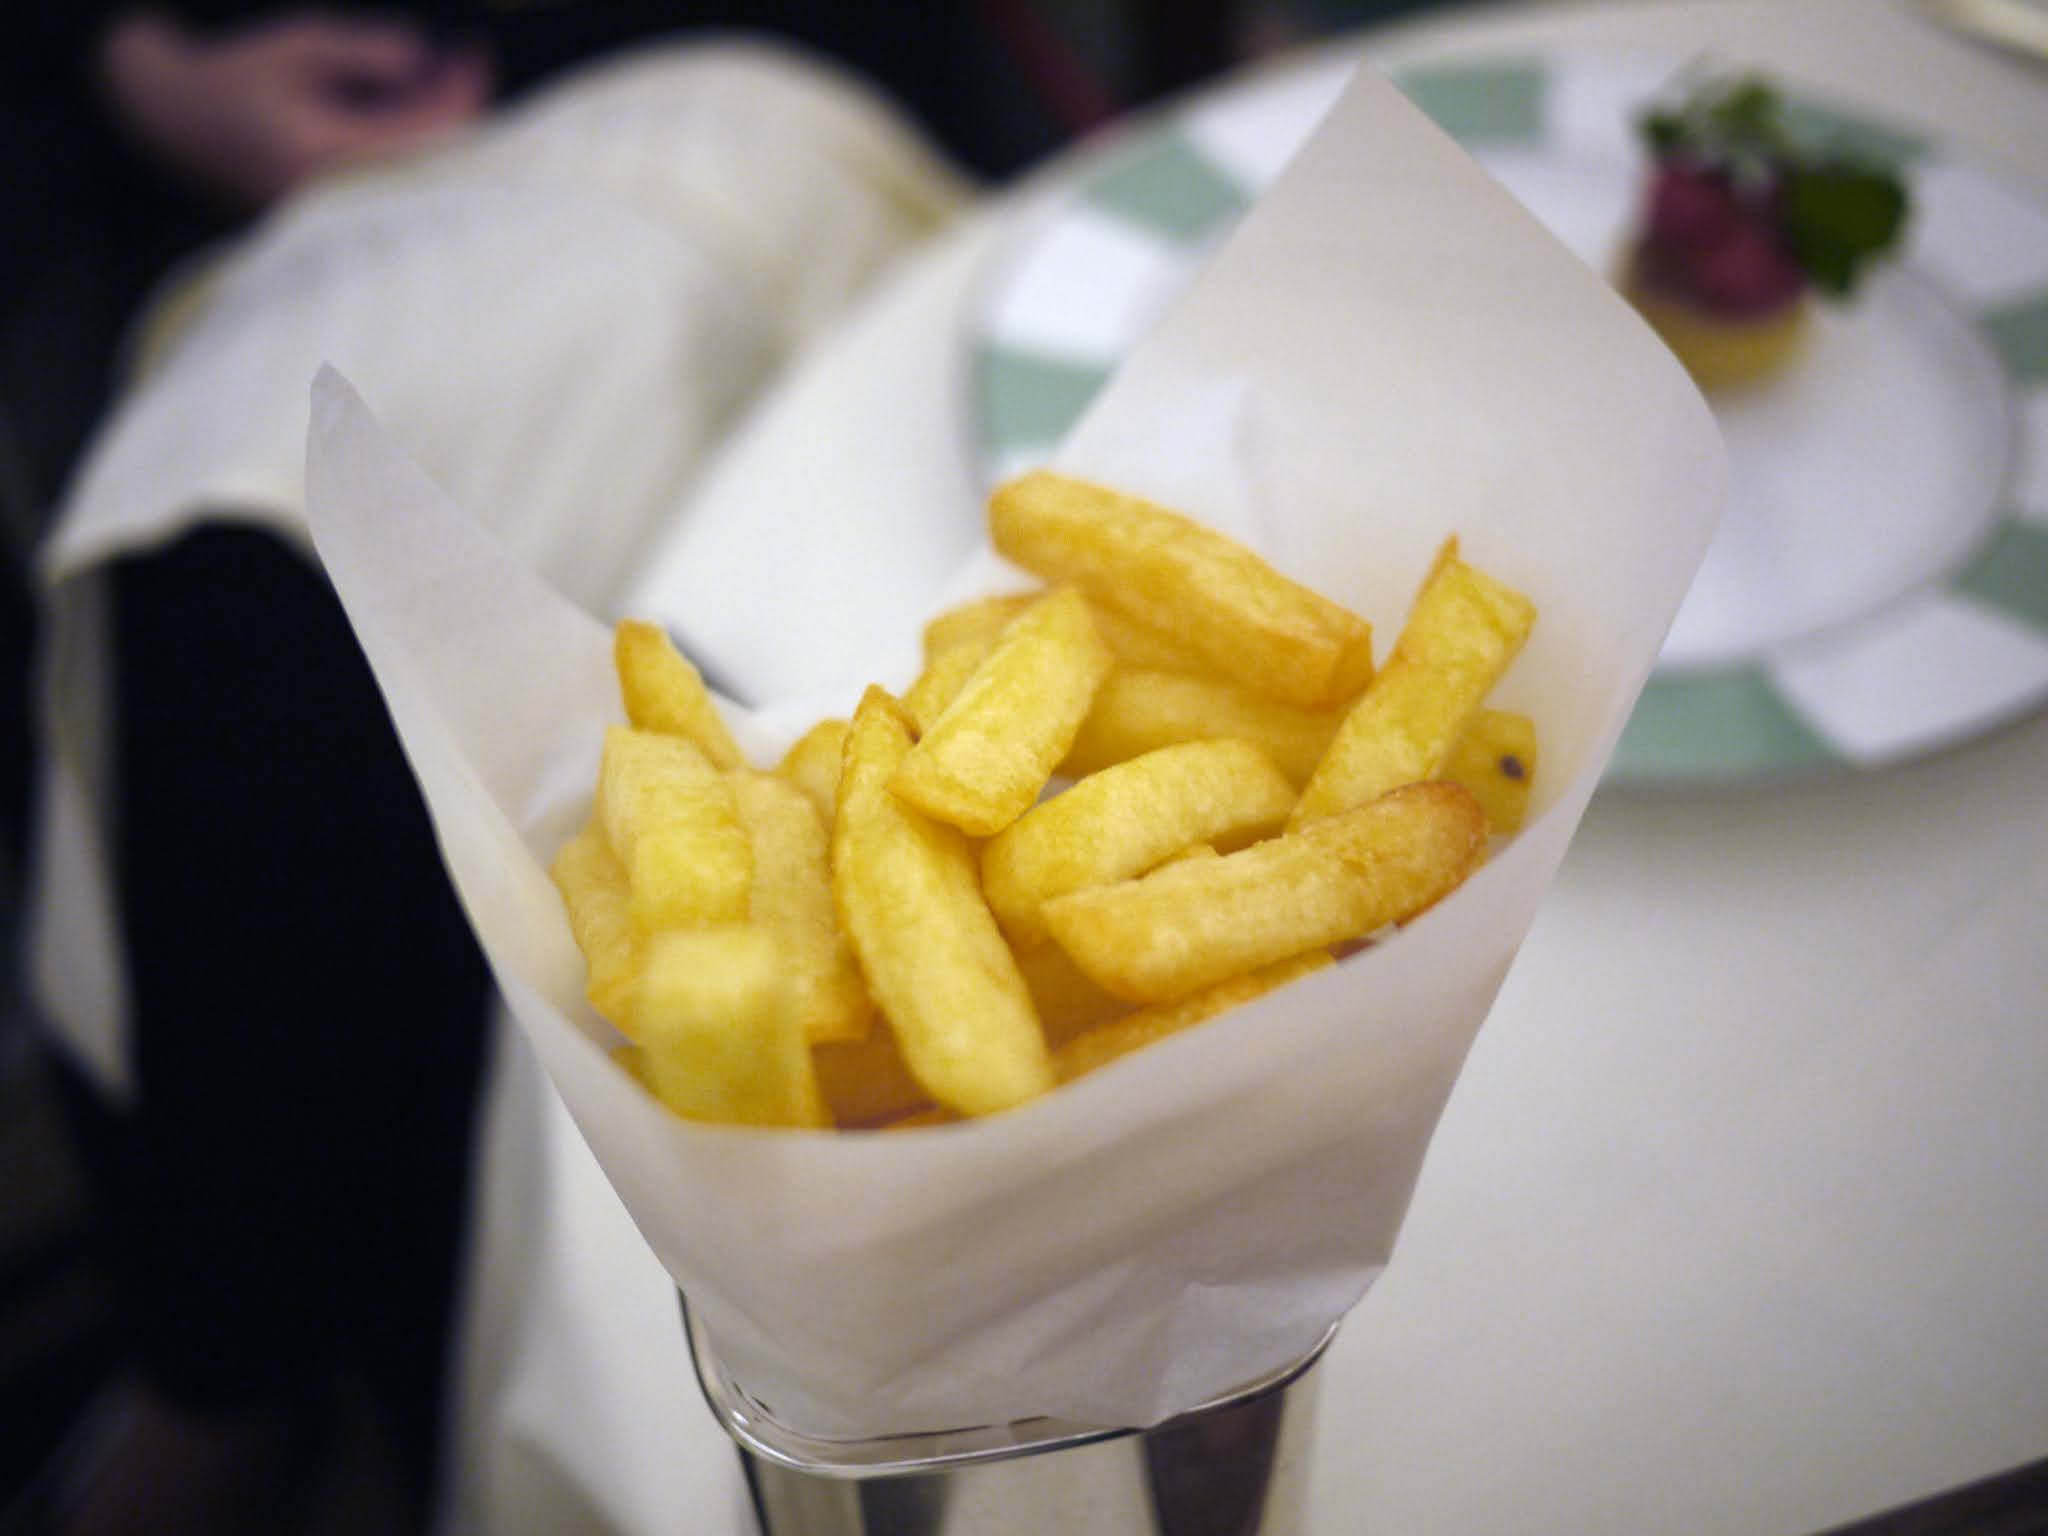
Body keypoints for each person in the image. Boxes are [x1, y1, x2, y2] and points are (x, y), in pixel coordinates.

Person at [4, 7, 1066, 1534]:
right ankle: (251, 1355)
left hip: (660, 89)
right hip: (224, 180)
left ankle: (263, 1361)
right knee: (231, 595)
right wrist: (133, 60)